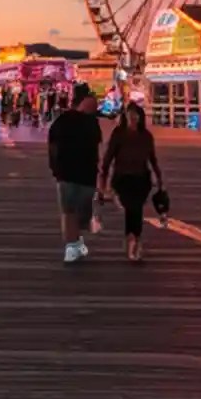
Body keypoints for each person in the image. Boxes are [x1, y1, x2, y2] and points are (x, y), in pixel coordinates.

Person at [99, 102, 163, 262]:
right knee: (132, 209)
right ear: (125, 118)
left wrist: (159, 179)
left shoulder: (146, 136)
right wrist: (103, 181)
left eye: (136, 116)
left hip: (141, 178)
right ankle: (134, 242)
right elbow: (108, 158)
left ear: (140, 118)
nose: (133, 119)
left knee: (136, 210)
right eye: (130, 116)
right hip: (123, 178)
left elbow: (152, 159)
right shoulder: (119, 134)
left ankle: (134, 241)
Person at [48, 83, 102, 264]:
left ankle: (75, 245)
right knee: (71, 212)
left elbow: (52, 146)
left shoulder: (64, 121)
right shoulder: (86, 123)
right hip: (76, 174)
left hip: (78, 174)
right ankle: (72, 247)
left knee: (76, 214)